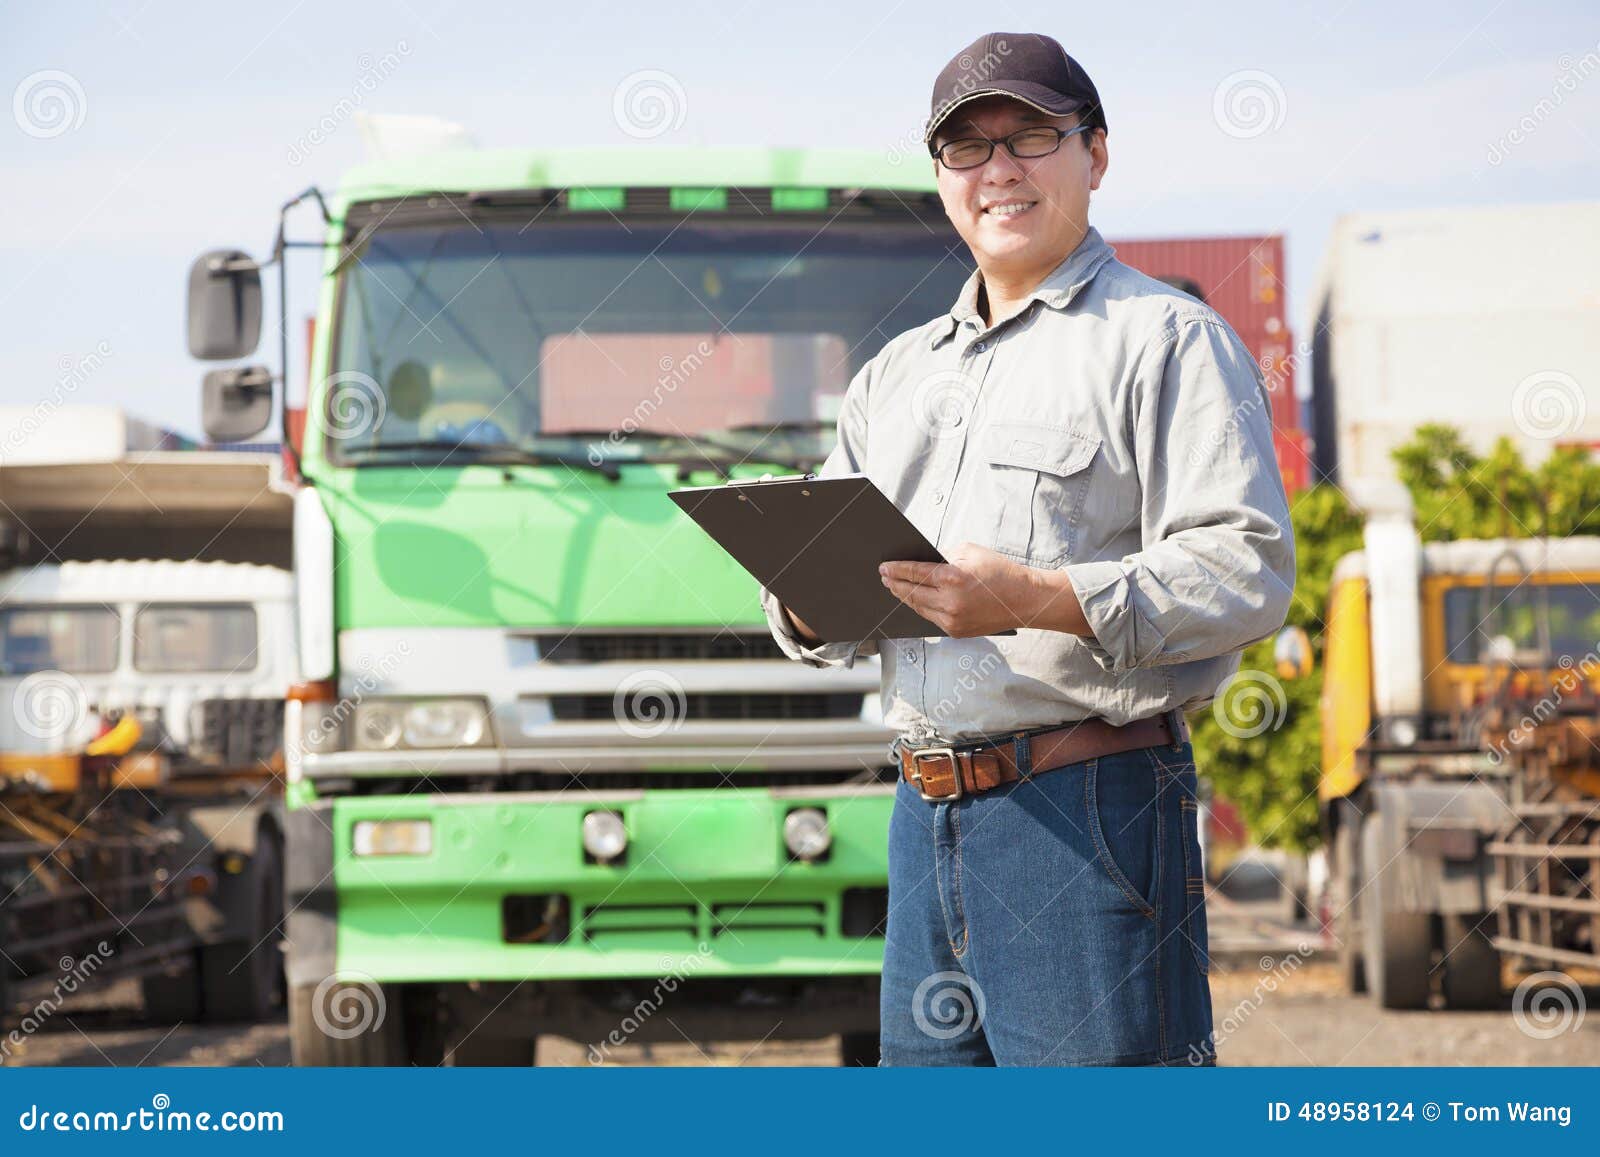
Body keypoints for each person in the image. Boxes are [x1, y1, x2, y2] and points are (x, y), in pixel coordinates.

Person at [761, 32, 1295, 1066]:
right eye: (967, 147)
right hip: (921, 820)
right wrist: (808, 605)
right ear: (941, 178)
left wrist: (1036, 598)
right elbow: (815, 585)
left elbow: (1245, 570)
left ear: (1095, 155)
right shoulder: (892, 377)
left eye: (1031, 137)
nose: (998, 169)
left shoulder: (1164, 339)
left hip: (1085, 813)